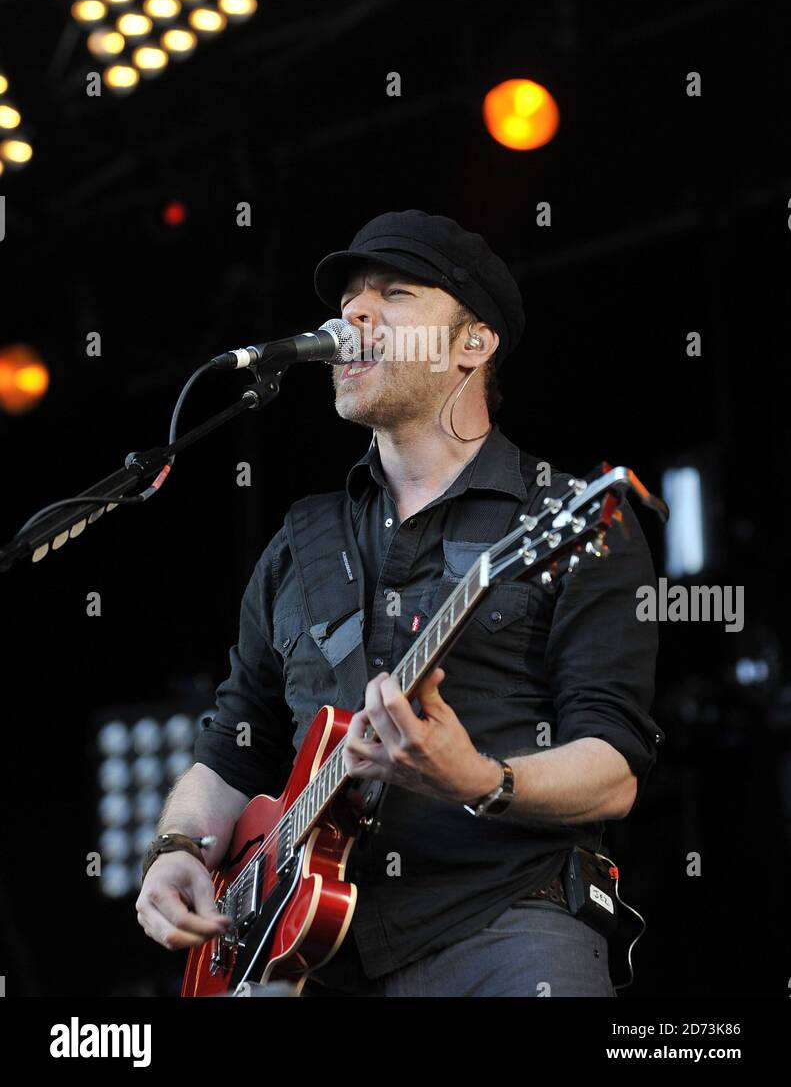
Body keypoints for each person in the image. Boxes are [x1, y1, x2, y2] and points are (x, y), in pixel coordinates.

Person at [136, 209, 663, 997]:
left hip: (502, 925)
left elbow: (614, 769)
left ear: (471, 344)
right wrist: (178, 846)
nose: (352, 314)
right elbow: (234, 745)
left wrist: (479, 779)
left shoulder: (560, 518)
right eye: (349, 298)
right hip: (305, 957)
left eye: (395, 293)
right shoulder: (299, 539)